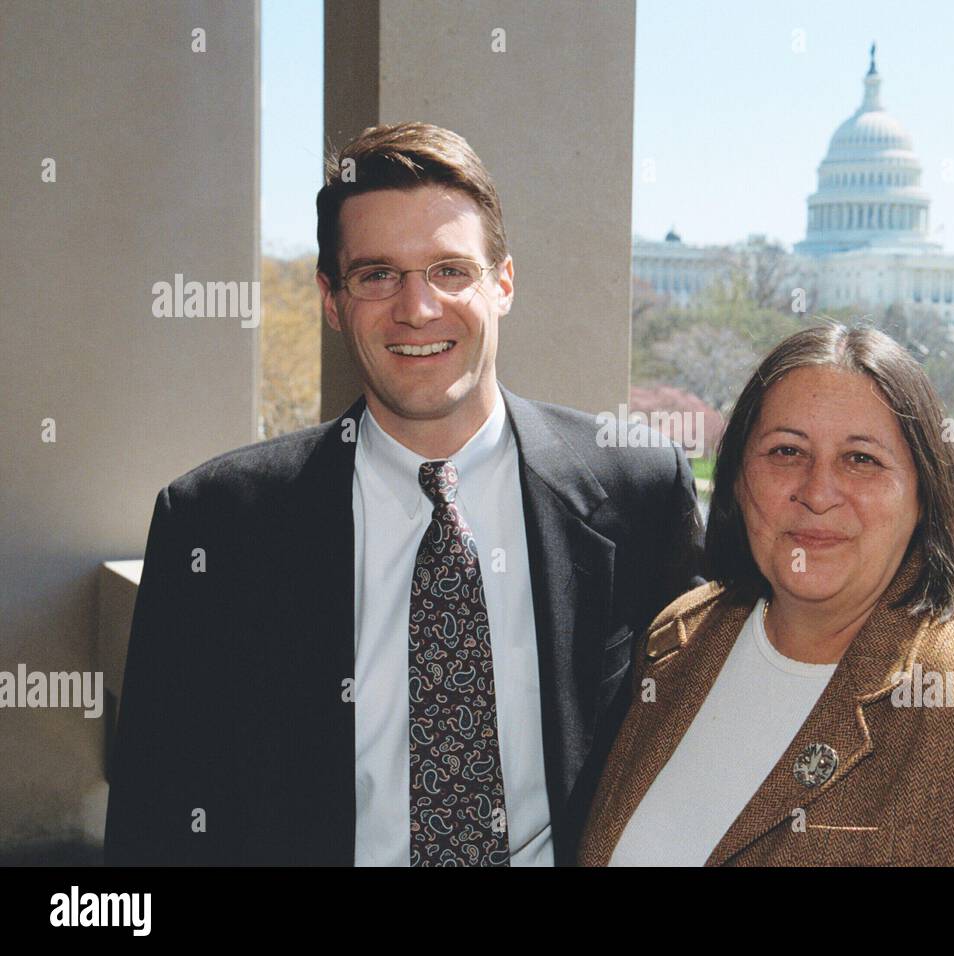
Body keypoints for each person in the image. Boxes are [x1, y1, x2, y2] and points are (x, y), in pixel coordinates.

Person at [104, 122, 704, 867]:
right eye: (377, 275)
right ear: (331, 299)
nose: (416, 309)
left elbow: (703, 743)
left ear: (503, 283)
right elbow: (157, 814)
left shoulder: (638, 491)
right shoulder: (217, 525)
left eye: (451, 271)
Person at [578, 323, 954, 866]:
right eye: (786, 451)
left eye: (862, 459)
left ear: (924, 495)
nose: (818, 492)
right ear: (739, 480)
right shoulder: (678, 640)